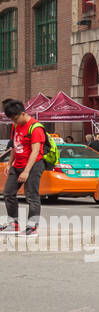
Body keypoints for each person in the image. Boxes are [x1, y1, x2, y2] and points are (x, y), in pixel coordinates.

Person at [2, 98, 46, 235]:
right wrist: (10, 164)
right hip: (18, 165)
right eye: (11, 120)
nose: (14, 122)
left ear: (22, 113)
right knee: (8, 193)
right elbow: (15, 145)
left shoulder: (36, 127)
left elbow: (36, 151)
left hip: (33, 165)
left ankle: (32, 227)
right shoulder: (16, 126)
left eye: (15, 118)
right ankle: (13, 224)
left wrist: (26, 171)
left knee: (32, 196)